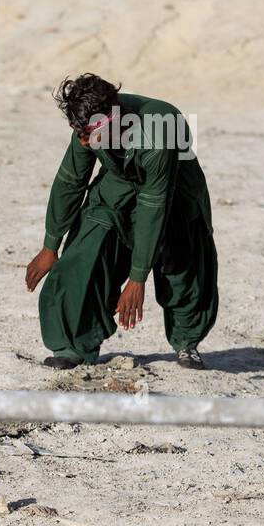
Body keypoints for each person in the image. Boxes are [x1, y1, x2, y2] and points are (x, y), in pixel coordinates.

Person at [25, 74, 219, 369]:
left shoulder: (157, 134)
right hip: (119, 181)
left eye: (88, 133)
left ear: (113, 121)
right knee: (85, 251)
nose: (82, 140)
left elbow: (153, 206)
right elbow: (71, 179)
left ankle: (186, 342)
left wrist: (137, 277)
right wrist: (51, 244)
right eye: (77, 130)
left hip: (174, 188)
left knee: (181, 260)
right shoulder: (89, 122)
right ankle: (73, 344)